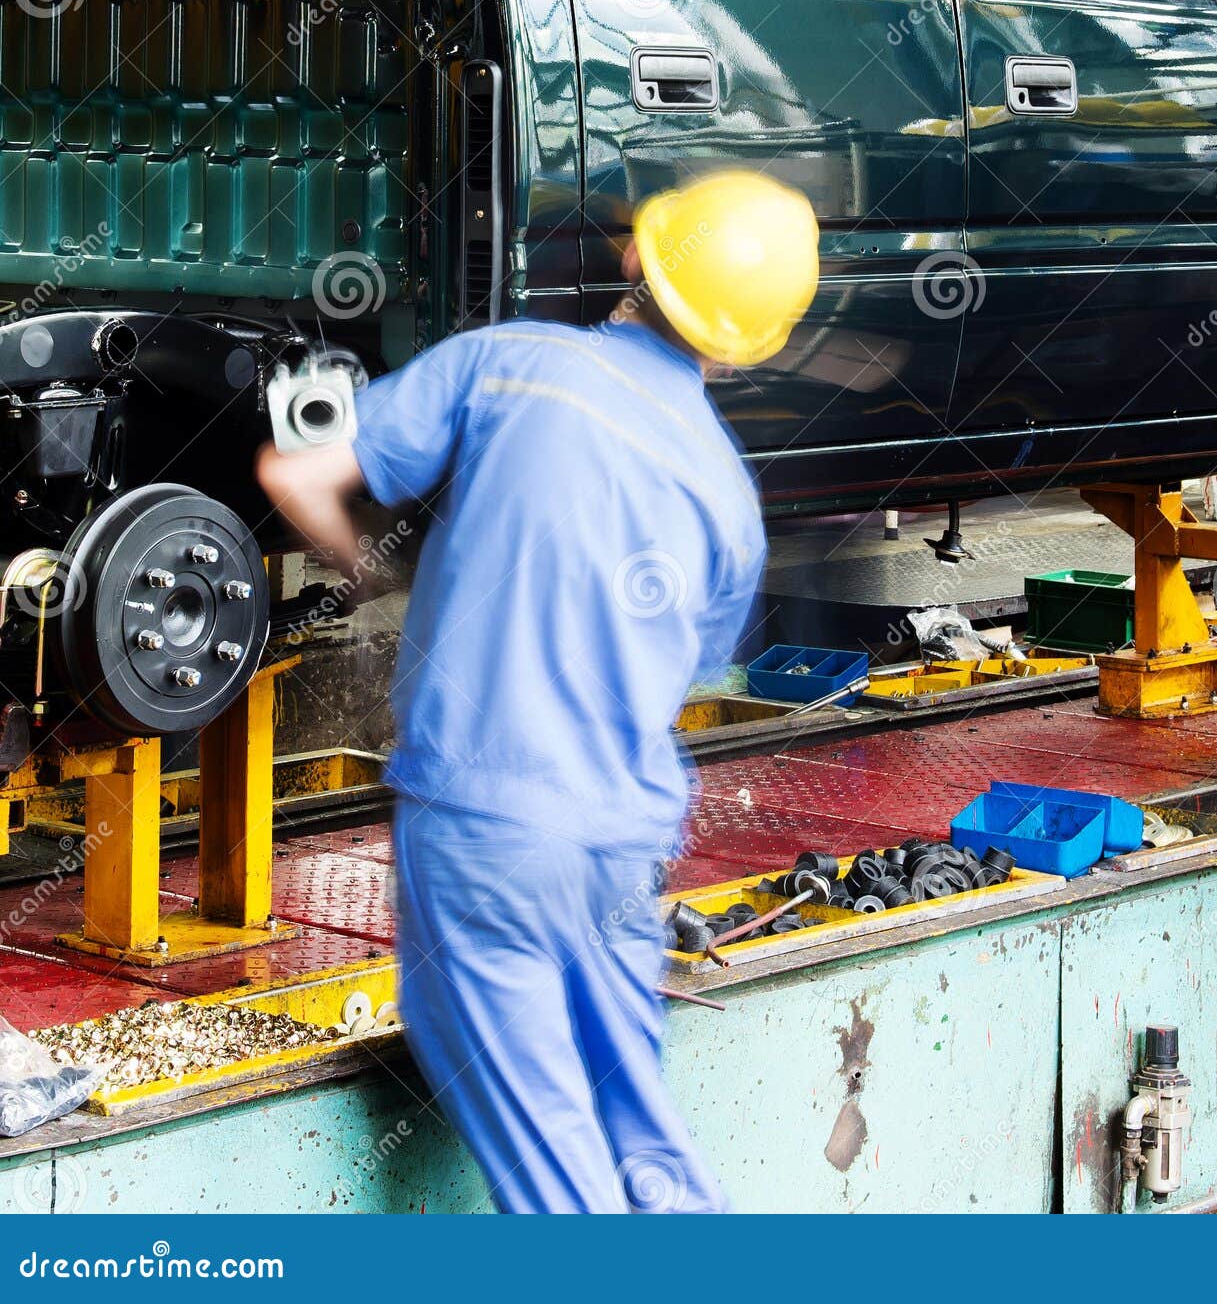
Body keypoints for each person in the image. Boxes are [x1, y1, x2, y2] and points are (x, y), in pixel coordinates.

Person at [257, 171, 821, 1214]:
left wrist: (362, 571)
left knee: (554, 1180)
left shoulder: (508, 363)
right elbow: (677, 670)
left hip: (484, 830)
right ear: (744, 343)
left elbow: (294, 473)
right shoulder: (726, 496)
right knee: (637, 1135)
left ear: (631, 259)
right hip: (620, 836)